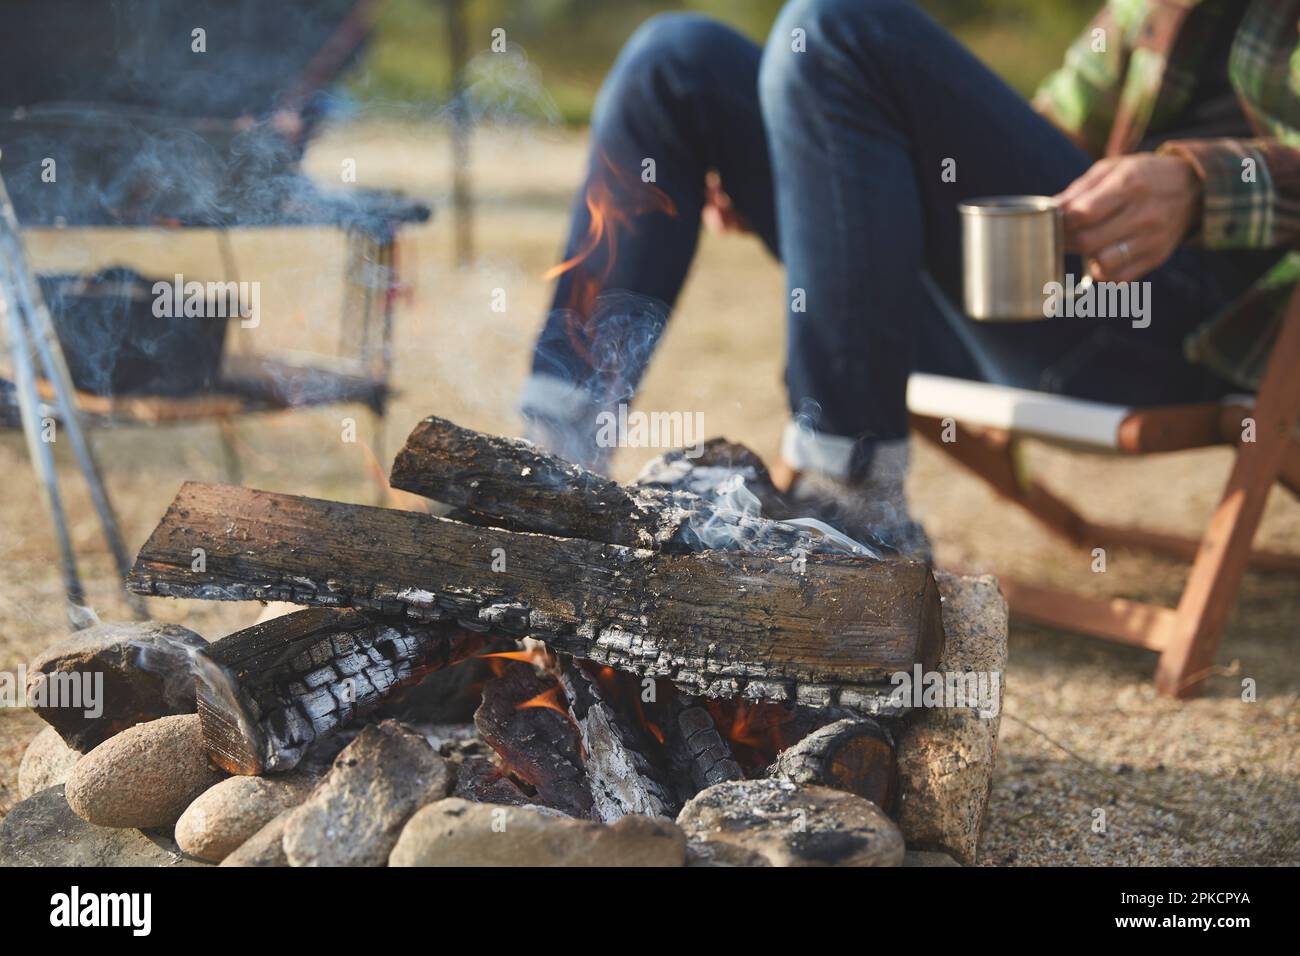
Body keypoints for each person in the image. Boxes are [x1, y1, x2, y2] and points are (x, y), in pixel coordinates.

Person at [520, 0, 1299, 560]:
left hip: (1166, 331)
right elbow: (1040, 135)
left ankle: (854, 512)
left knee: (835, 26)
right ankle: (543, 476)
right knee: (676, 58)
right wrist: (823, 164)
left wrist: (1201, 187)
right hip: (1003, 296)